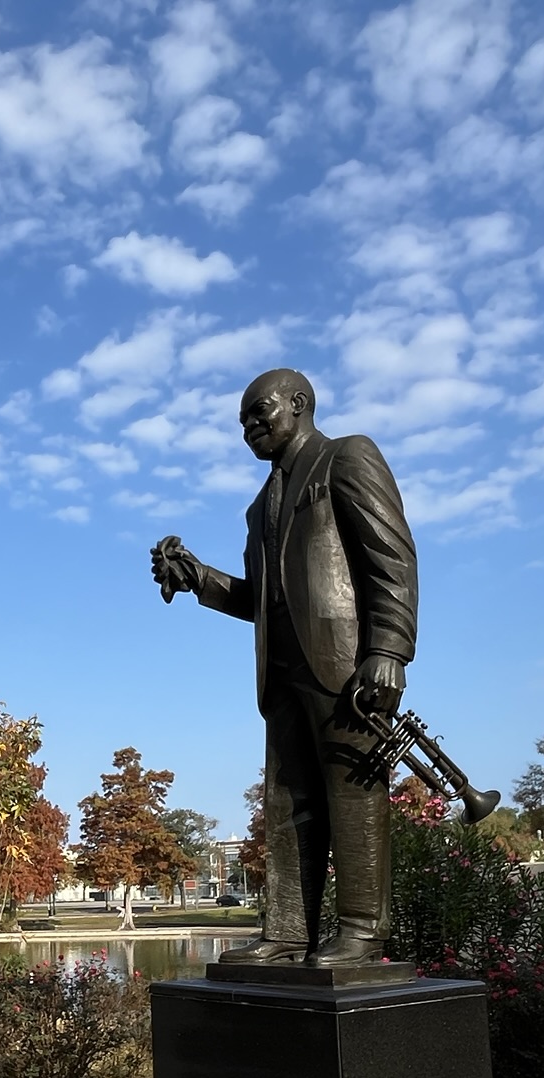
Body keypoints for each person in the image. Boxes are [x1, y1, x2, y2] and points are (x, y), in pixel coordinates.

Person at [151, 368, 417, 968]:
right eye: (242, 422)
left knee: (353, 789)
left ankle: (362, 932)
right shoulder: (258, 507)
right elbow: (268, 599)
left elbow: (391, 558)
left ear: (299, 404)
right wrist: (199, 578)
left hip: (348, 666)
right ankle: (290, 932)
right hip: (283, 669)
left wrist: (388, 650)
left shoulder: (347, 458)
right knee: (286, 799)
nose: (249, 429)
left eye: (258, 413)